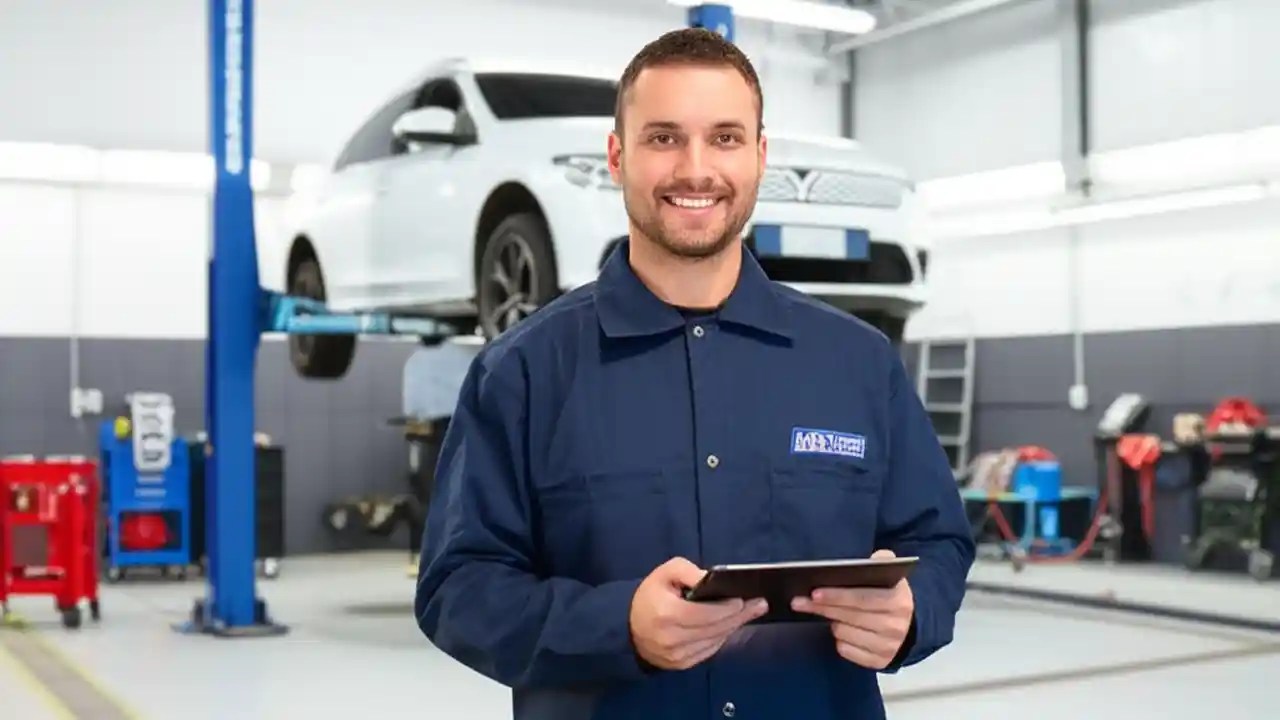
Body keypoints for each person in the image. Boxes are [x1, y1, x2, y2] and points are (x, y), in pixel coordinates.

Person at [415, 27, 976, 720]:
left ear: (760, 156)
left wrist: (914, 611)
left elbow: (939, 541)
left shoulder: (858, 364)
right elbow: (457, 587)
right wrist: (615, 625)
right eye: (663, 138)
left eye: (725, 138)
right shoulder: (523, 372)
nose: (695, 168)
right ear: (617, 156)